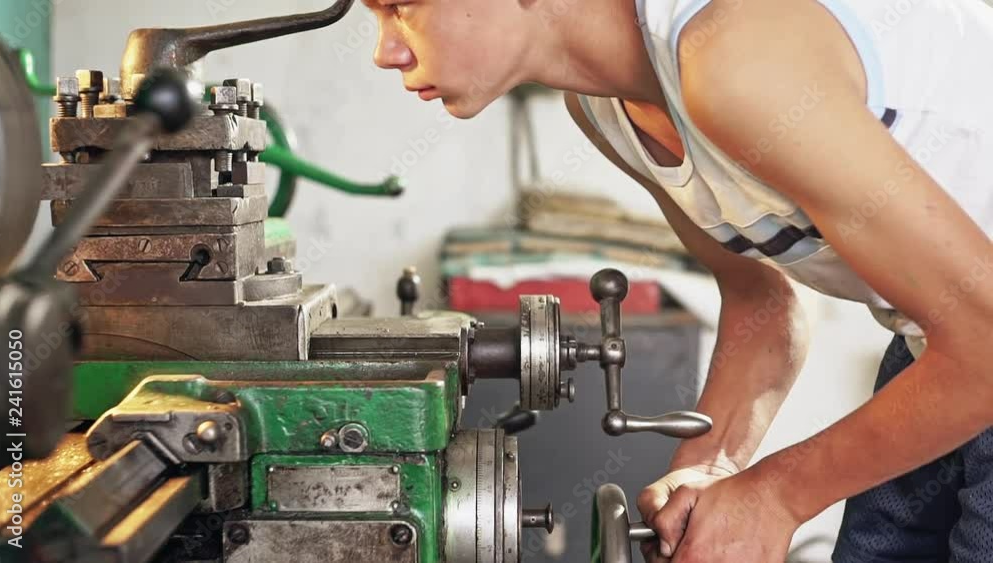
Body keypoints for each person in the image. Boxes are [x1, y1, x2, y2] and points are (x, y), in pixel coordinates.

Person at [361, 0, 993, 560]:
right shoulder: (604, 110)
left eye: (401, 6)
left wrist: (772, 498)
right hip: (938, 358)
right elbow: (764, 298)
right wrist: (712, 470)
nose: (384, 52)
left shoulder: (733, 58)